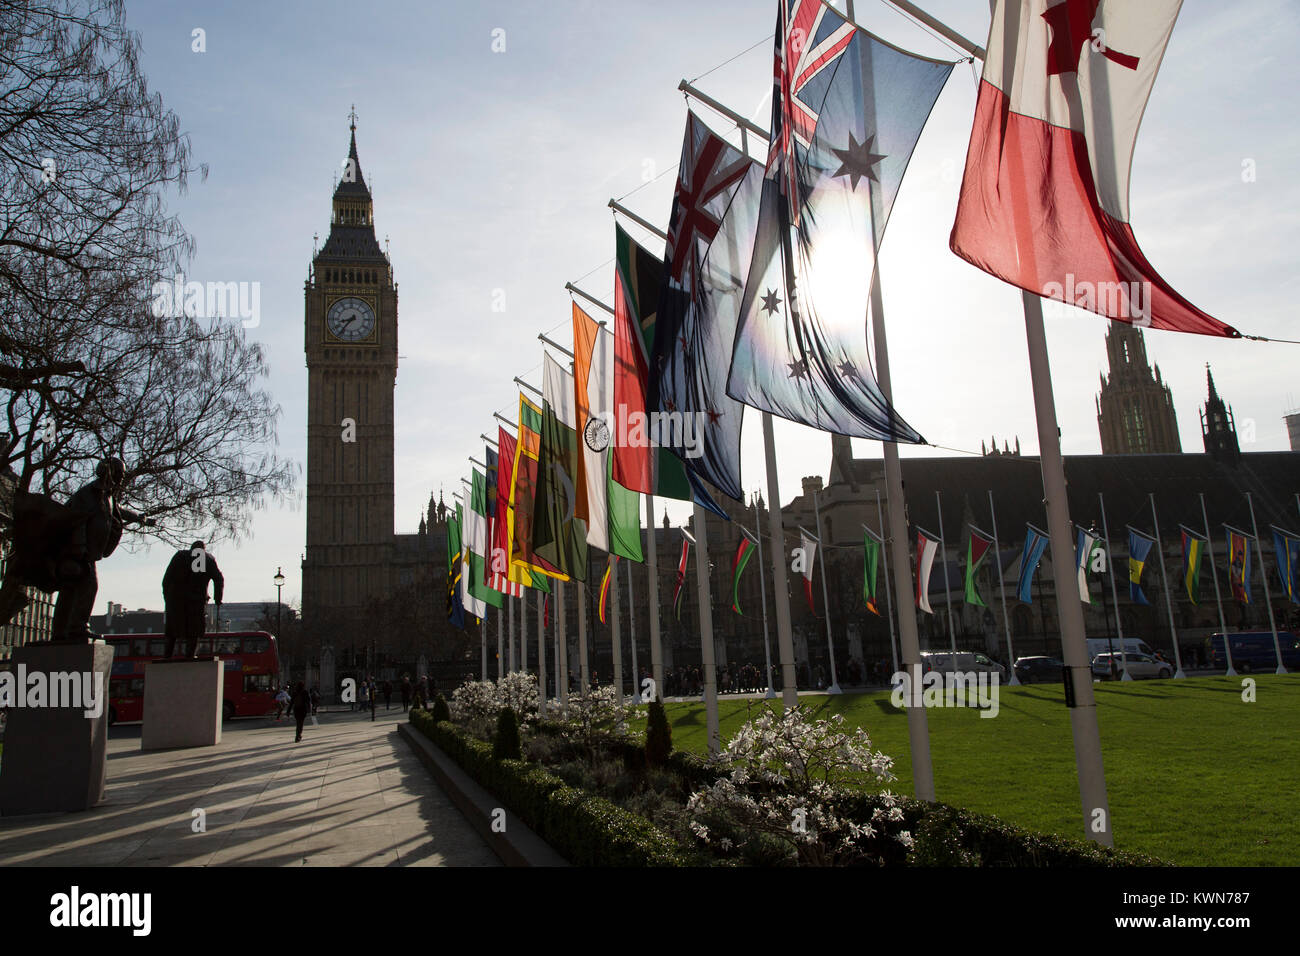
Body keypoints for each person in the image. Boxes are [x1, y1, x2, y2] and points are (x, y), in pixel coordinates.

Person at [50, 457, 154, 641]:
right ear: (108, 472)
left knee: (71, 590)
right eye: (119, 474)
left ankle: (61, 631)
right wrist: (79, 548)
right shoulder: (87, 494)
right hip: (78, 552)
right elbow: (78, 520)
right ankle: (76, 628)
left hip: (86, 552)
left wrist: (140, 518)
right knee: (88, 586)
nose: (121, 479)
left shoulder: (105, 495)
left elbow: (118, 510)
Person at [161, 540, 223, 658]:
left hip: (176, 600)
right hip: (196, 600)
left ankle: (167, 655)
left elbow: (166, 579)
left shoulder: (179, 556)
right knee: (194, 631)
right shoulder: (208, 559)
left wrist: (167, 597)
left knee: (172, 629)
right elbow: (219, 579)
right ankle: (190, 655)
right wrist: (217, 599)